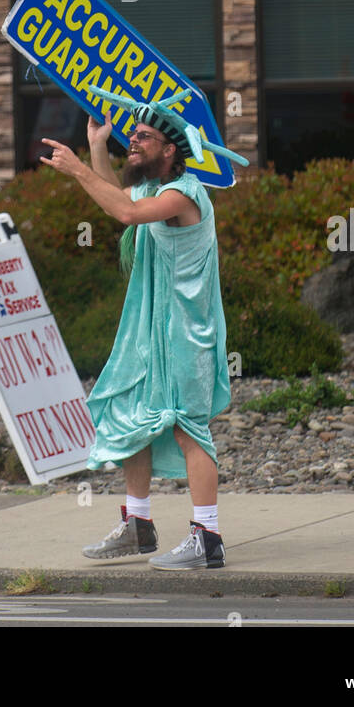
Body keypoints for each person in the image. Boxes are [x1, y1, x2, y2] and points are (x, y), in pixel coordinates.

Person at [40, 99, 231, 570]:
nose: (135, 142)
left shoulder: (183, 194)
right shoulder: (155, 187)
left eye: (143, 138)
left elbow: (126, 213)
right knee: (133, 418)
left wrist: (78, 170)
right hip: (151, 331)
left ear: (170, 150)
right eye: (134, 136)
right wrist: (97, 149)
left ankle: (208, 539)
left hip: (186, 333)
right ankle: (139, 527)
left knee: (189, 428)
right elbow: (119, 199)